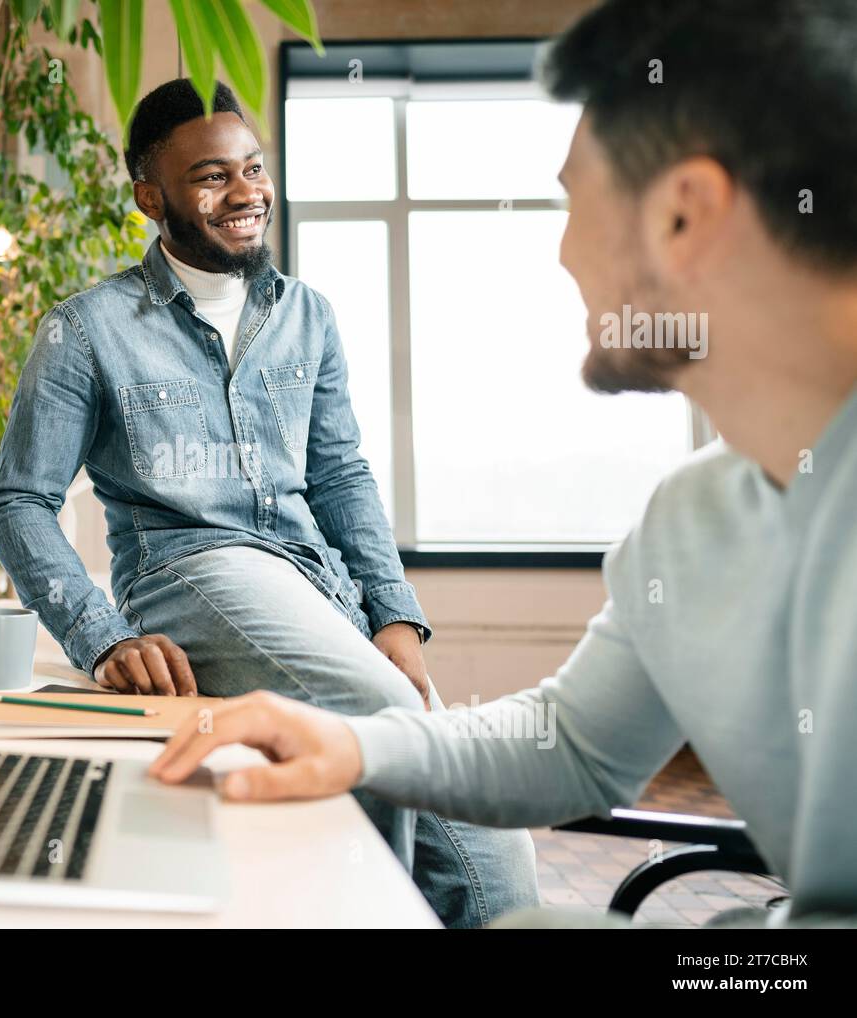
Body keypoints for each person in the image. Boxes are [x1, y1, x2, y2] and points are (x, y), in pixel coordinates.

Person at [150, 0, 857, 928]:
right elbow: (570, 742)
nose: (562, 253)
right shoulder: (696, 522)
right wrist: (353, 745)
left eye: (575, 201)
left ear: (687, 215)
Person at [0, 78, 537, 927]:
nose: (245, 193)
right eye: (210, 177)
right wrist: (102, 638)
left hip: (317, 585)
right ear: (149, 196)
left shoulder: (308, 315)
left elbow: (342, 476)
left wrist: (393, 614)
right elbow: (19, 500)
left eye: (253, 168)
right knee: (380, 714)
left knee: (496, 823)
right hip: (189, 569)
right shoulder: (85, 328)